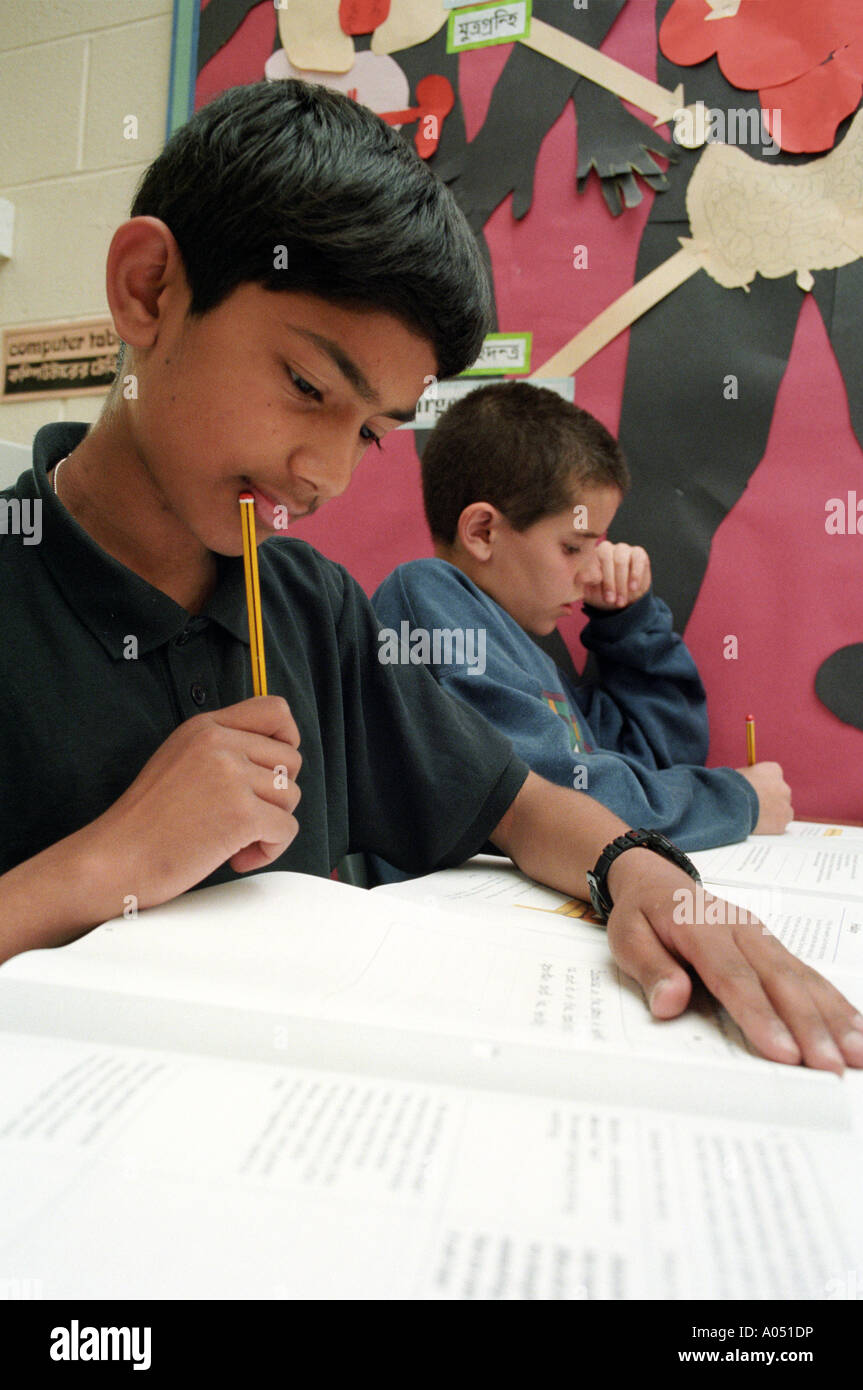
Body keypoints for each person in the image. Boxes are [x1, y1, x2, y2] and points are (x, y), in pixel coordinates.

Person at [1, 81, 859, 1075]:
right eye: (304, 386)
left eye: (367, 432)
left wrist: (639, 874)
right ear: (151, 289)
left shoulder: (307, 607)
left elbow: (516, 800)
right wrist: (108, 862)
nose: (321, 474)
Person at [372, 380, 790, 851]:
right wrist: (737, 800)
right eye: (573, 546)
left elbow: (656, 760)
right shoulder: (426, 597)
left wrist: (629, 624)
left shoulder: (522, 651)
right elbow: (560, 798)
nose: (592, 571)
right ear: (483, 531)